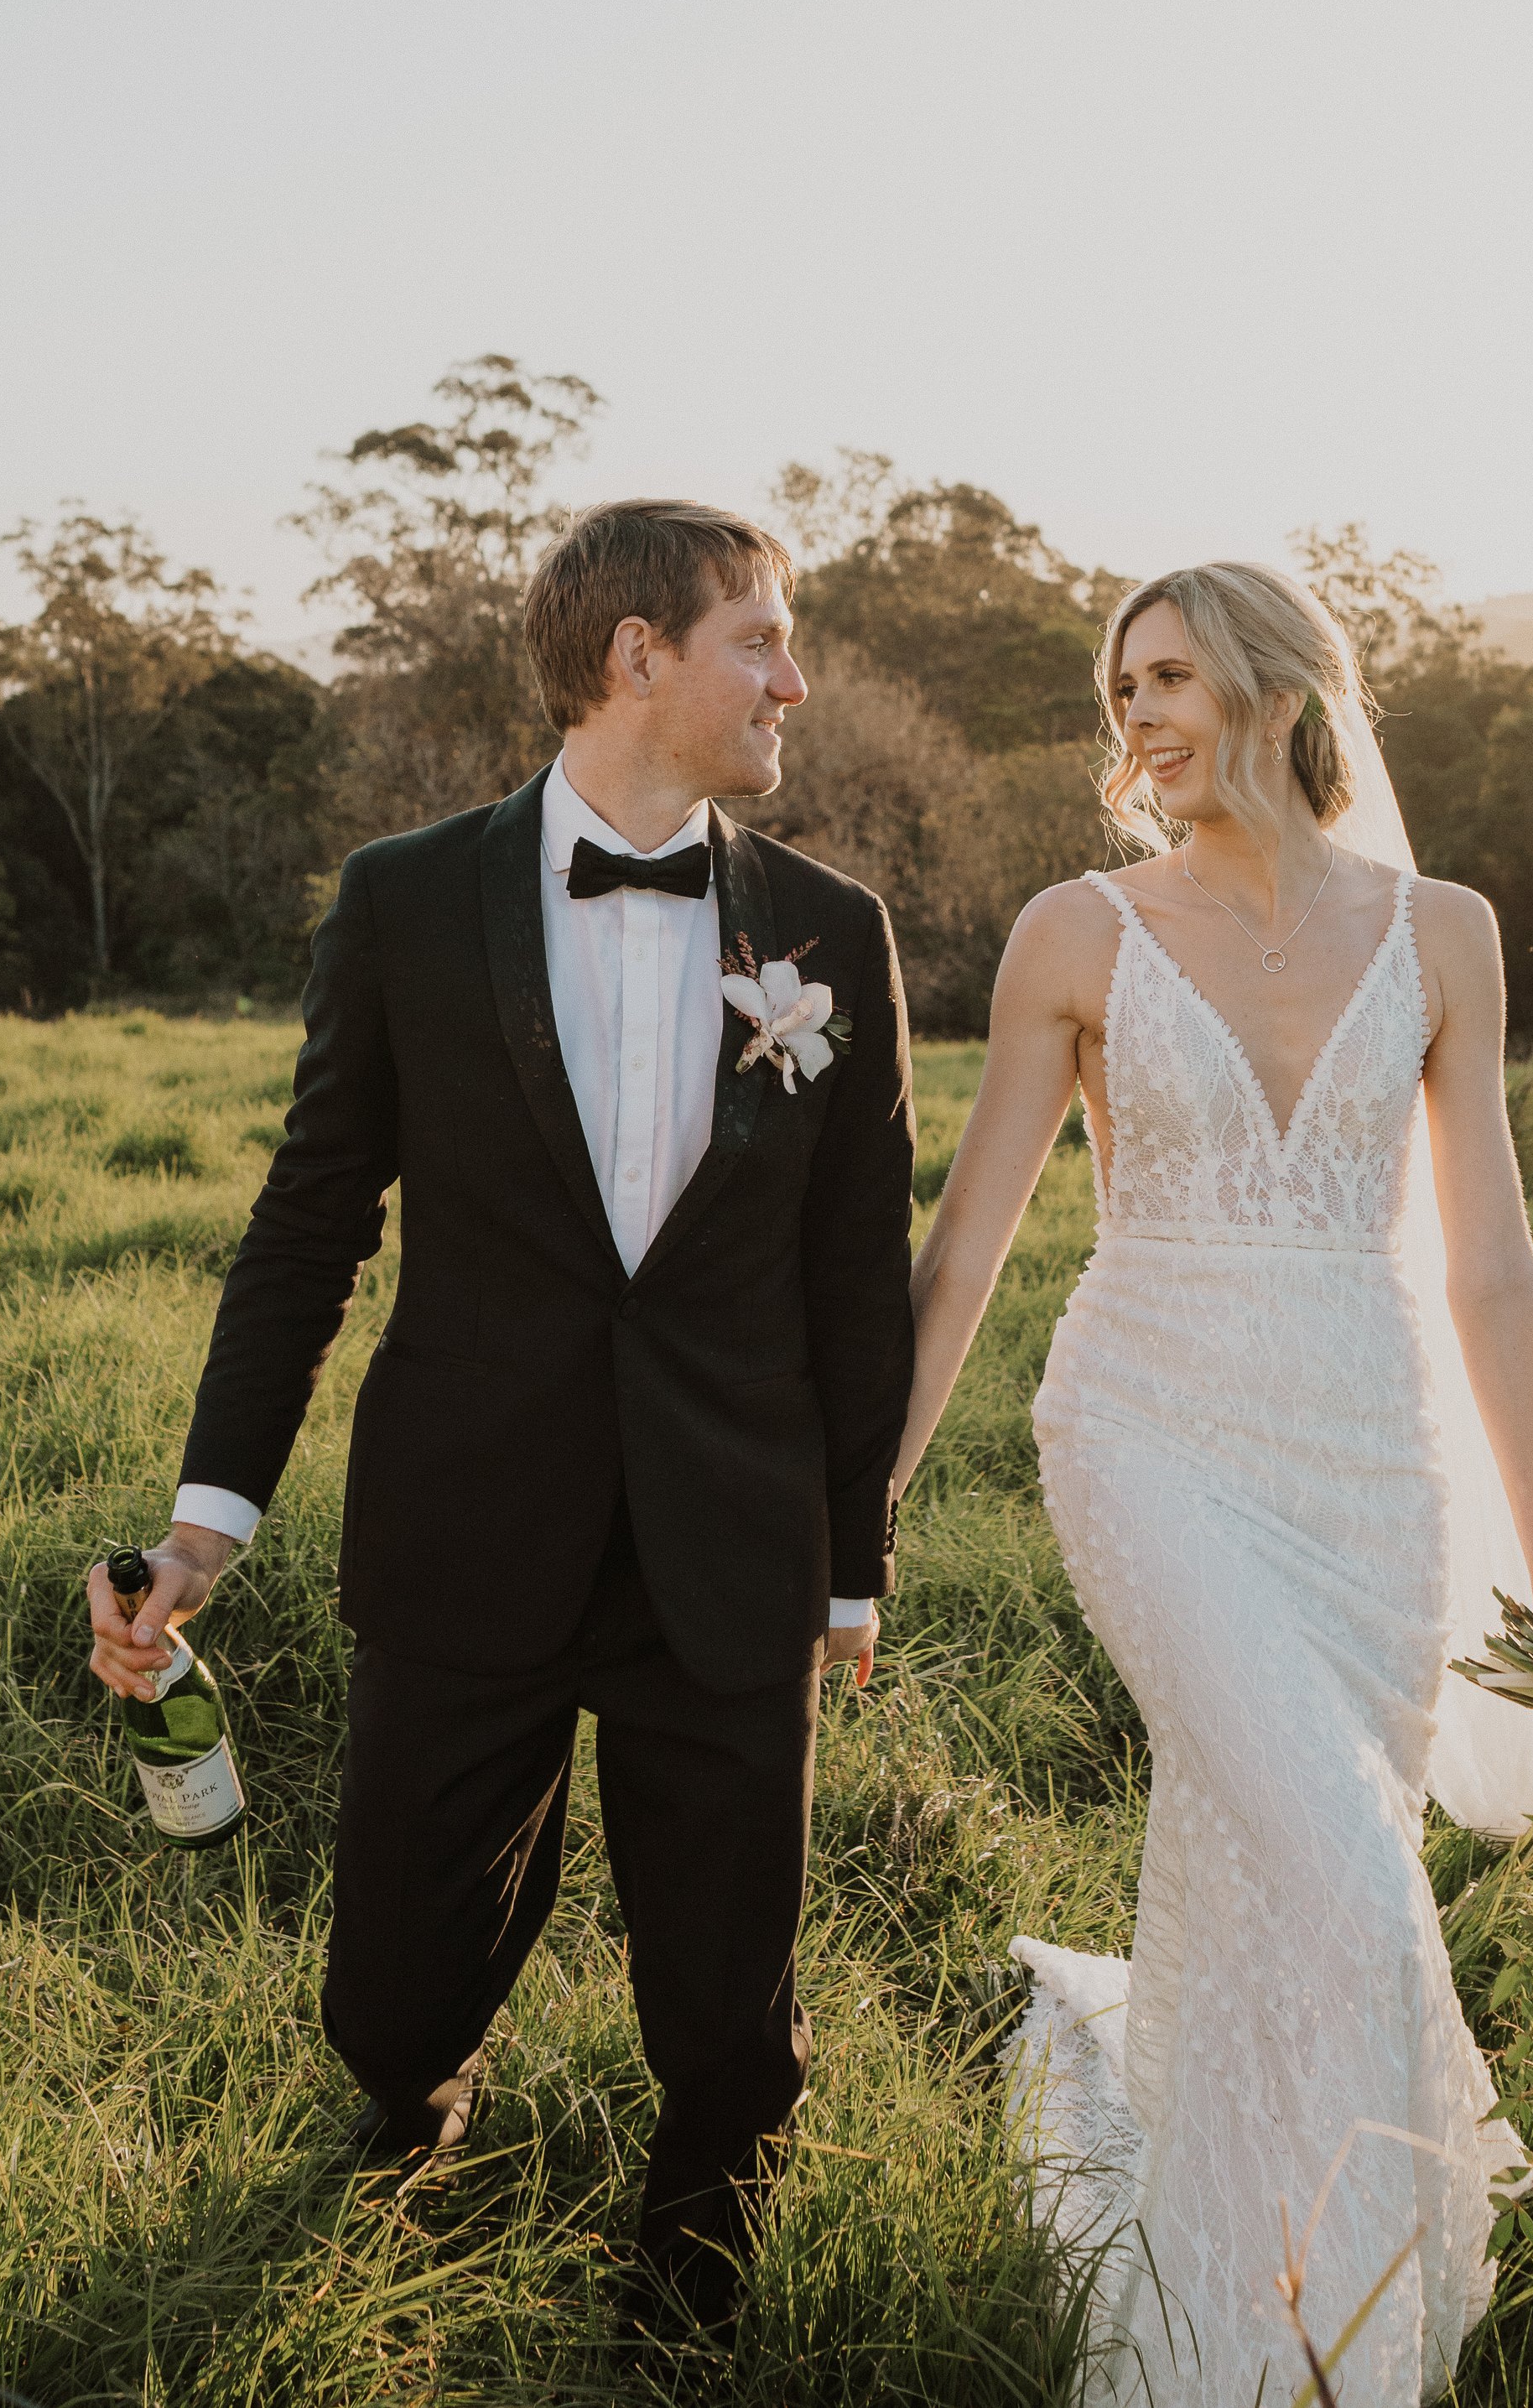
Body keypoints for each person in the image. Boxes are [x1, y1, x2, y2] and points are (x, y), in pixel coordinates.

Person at [85, 497, 916, 2335]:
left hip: (727, 1534)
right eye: (760, 638)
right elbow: (310, 1217)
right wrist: (210, 1514)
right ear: (637, 655)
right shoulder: (405, 897)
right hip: (469, 1518)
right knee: (391, 1972)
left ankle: (691, 2281)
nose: (795, 675)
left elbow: (862, 1281)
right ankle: (408, 2129)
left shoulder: (834, 932)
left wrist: (847, 1561)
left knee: (724, 2000)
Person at [900, 560, 1533, 2403]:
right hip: (1144, 1433)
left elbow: (1489, 1275)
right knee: (1333, 1875)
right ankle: (1255, 2350)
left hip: (1366, 1472)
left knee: (1273, 1868)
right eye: (1116, 685)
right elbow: (966, 1249)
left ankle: (1292, 2272)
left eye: (1164, 675)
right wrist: (862, 1507)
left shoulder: (1442, 927)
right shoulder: (1071, 933)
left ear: (1280, 688)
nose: (1131, 714)